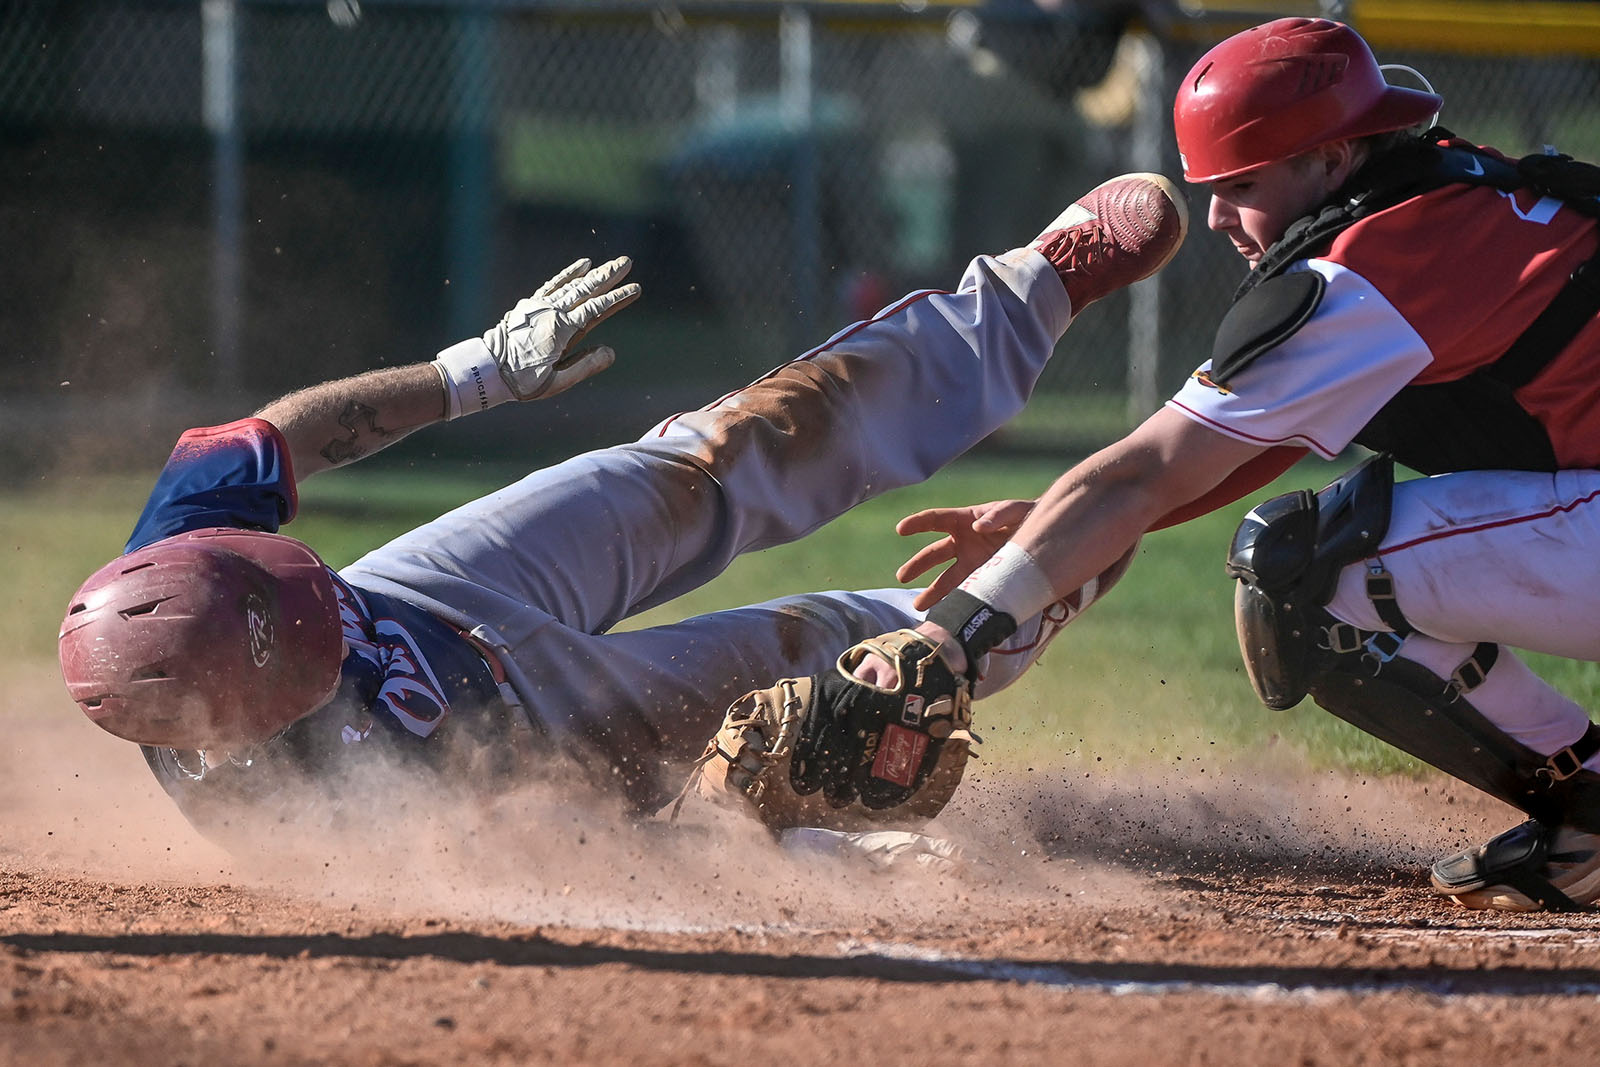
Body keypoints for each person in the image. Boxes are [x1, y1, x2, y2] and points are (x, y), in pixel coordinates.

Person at [57, 174, 1188, 859]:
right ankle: (1041, 574)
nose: (314, 600)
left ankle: (1035, 285)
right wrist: (752, 828)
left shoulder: (179, 550)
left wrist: (476, 372)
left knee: (704, 458)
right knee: (842, 662)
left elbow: (289, 431)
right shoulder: (329, 804)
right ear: (245, 726)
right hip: (530, 732)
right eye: (308, 635)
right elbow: (561, 847)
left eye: (288, 576)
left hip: (422, 594)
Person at [832, 16, 1600, 911]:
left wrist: (949, 637)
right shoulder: (1447, 191)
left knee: (1307, 572)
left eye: (1242, 184)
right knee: (1320, 551)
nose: (1218, 217)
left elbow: (1149, 469)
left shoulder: (1371, 266)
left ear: (1332, 158)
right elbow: (1236, 450)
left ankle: (1587, 801)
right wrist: (1051, 517)